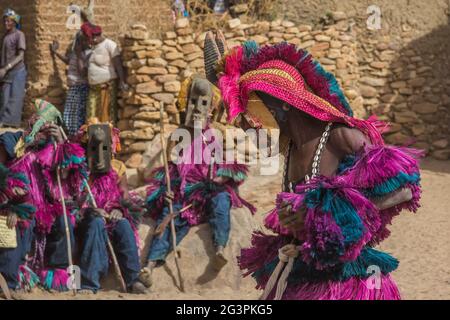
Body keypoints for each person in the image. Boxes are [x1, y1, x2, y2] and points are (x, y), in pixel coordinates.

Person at [208, 40, 422, 300]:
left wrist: (325, 214)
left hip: (344, 281)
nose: (253, 120)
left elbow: (405, 189)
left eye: (258, 107)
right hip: (302, 270)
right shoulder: (290, 150)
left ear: (284, 102)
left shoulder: (340, 137)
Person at [139, 75, 255, 288]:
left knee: (221, 204)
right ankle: (150, 265)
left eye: (204, 104)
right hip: (184, 193)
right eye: (194, 102)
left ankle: (219, 248)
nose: (198, 108)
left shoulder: (217, 133)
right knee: (168, 216)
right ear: (186, 104)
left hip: (211, 188)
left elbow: (232, 166)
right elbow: (169, 168)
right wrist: (168, 188)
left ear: (211, 108)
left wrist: (223, 176)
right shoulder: (178, 136)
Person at [9, 99, 87, 292]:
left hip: (54, 205)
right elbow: (13, 181)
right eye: (39, 127)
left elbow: (71, 175)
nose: (43, 132)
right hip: (29, 206)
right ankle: (20, 275)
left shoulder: (57, 151)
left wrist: (62, 143)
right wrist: (15, 206)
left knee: (65, 222)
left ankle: (57, 275)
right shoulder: (24, 153)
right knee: (23, 222)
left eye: (47, 128)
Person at [73, 119, 148, 294]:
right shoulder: (80, 169)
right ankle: (88, 282)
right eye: (94, 148)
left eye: (104, 148)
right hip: (86, 219)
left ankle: (133, 279)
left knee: (123, 224)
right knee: (96, 224)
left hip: (111, 216)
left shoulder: (117, 168)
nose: (99, 153)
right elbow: (73, 199)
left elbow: (125, 198)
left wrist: (118, 210)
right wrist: (89, 210)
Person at [0, 133, 36, 295]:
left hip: (5, 222)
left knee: (15, 225)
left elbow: (26, 202)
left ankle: (9, 282)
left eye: (4, 152)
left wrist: (14, 210)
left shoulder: (17, 173)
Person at [80, 22, 128, 124]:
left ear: (94, 38)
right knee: (91, 117)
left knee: (106, 116)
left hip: (106, 87)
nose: (87, 41)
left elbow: (118, 65)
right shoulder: (92, 48)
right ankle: (93, 139)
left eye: (87, 38)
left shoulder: (109, 45)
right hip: (93, 88)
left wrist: (122, 81)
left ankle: (109, 138)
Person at [50, 33, 89, 137]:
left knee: (75, 116)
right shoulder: (75, 53)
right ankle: (73, 137)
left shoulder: (85, 54)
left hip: (79, 88)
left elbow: (82, 72)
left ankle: (76, 138)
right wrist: (55, 52)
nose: (76, 44)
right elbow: (68, 61)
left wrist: (79, 54)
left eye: (79, 42)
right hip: (73, 88)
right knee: (70, 115)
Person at [0, 9, 27, 128]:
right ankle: (4, 121)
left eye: (9, 21)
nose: (6, 23)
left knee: (15, 98)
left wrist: (7, 68)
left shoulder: (19, 35)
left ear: (15, 22)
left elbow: (21, 56)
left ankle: (13, 124)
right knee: (5, 99)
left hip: (17, 71)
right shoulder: (5, 36)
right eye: (5, 21)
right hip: (6, 72)